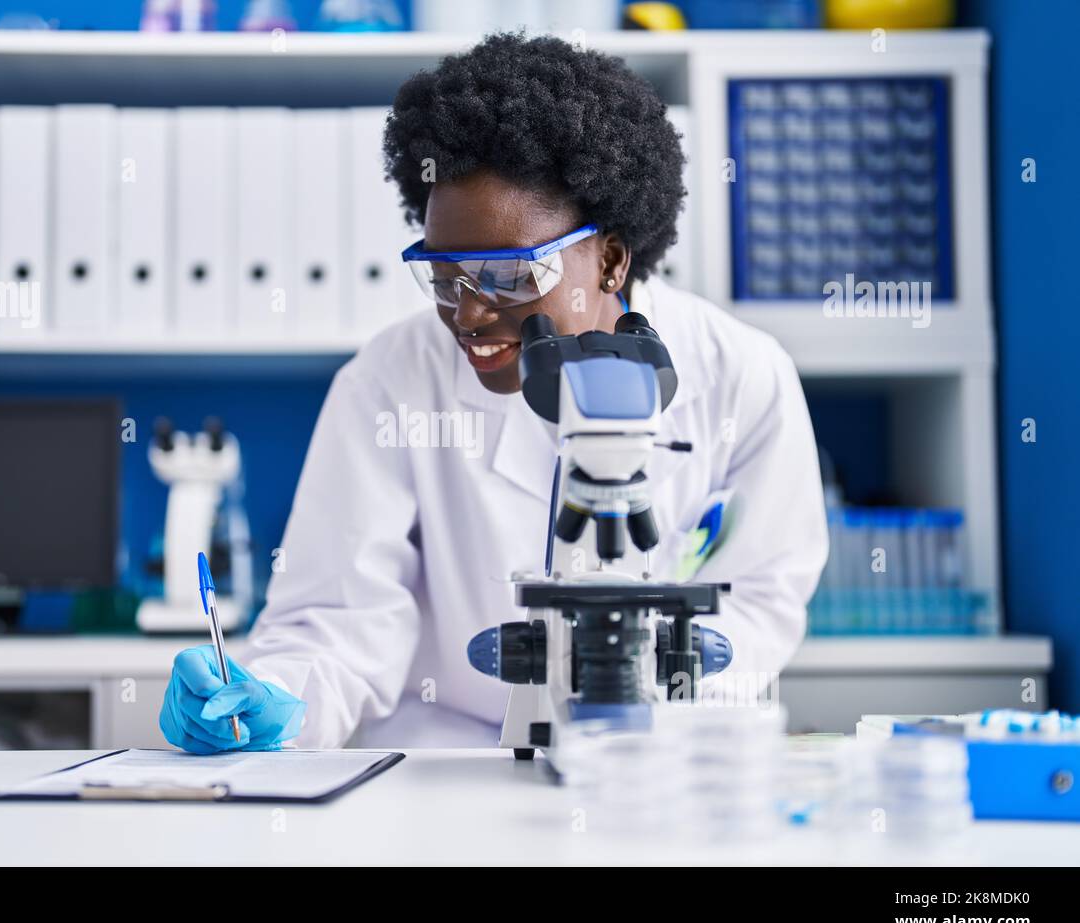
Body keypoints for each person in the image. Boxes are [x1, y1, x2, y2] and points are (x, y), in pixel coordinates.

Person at [160, 33, 828, 753]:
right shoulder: (390, 381)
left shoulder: (742, 375)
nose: (469, 314)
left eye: (510, 275)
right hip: (444, 760)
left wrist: (651, 685)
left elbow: (762, 595)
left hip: (663, 757)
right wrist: (275, 700)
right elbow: (334, 621)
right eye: (445, 276)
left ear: (608, 259)